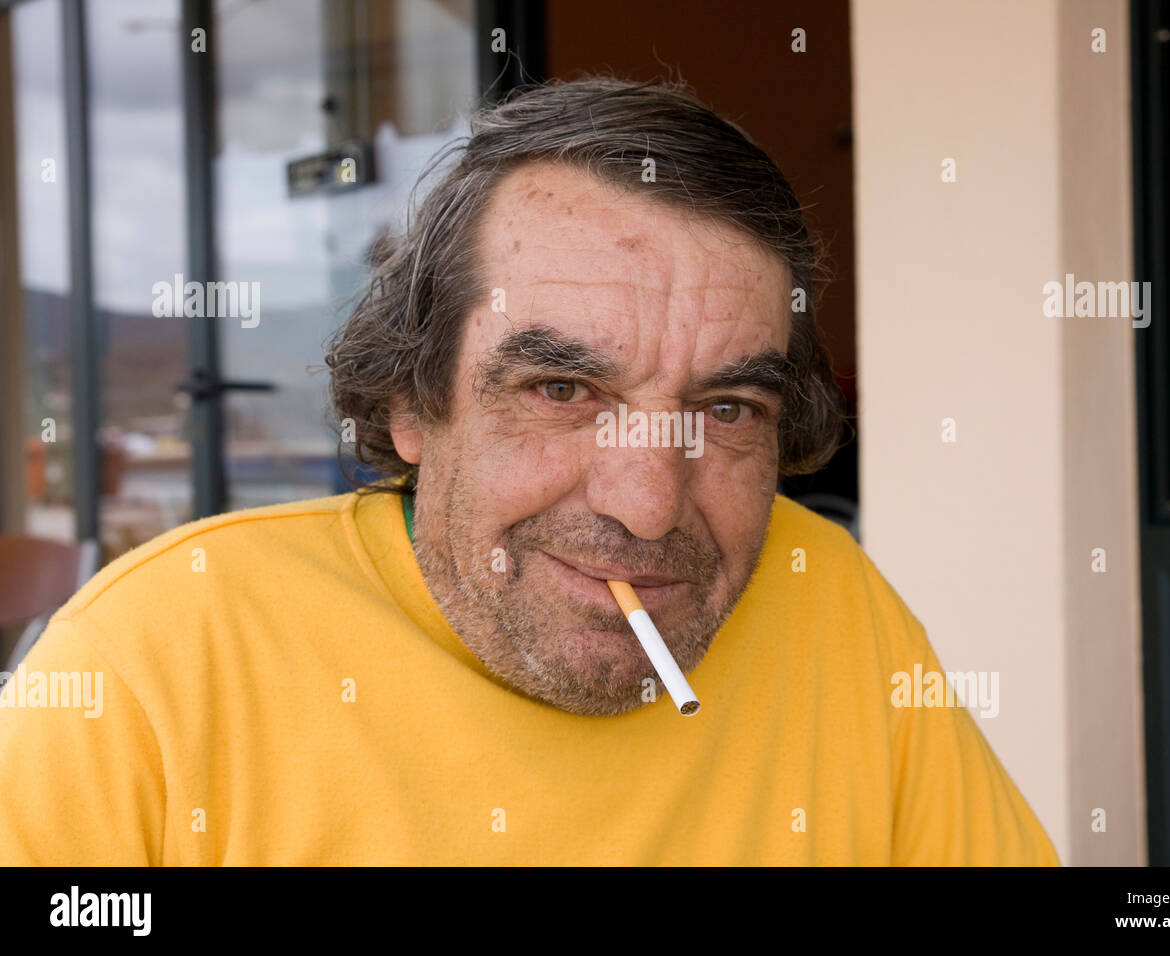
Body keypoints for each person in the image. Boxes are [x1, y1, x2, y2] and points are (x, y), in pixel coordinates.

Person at [0, 78, 1058, 865]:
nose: (646, 508)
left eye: (724, 408)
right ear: (414, 402)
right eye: (562, 391)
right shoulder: (158, 663)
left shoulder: (826, 597)